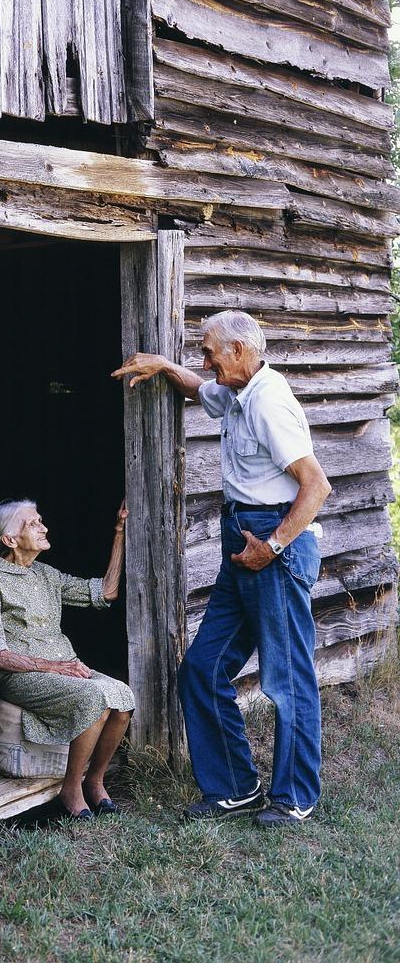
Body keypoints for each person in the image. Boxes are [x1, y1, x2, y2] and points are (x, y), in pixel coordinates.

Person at [113, 309, 331, 828]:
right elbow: (197, 391)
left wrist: (273, 546)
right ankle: (236, 786)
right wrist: (165, 366)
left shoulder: (269, 402)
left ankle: (296, 796)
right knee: (203, 670)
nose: (204, 360)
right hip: (244, 543)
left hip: (273, 545)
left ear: (239, 351)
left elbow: (316, 486)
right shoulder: (236, 390)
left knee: (286, 678)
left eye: (209, 351)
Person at [0, 498, 134, 819]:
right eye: (32, 524)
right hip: (22, 676)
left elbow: (105, 592)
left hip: (66, 669)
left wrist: (119, 531)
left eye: (40, 520)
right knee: (94, 698)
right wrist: (53, 666)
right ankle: (71, 789)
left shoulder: (46, 575)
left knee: (123, 699)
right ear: (9, 539)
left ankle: (95, 781)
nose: (43, 527)